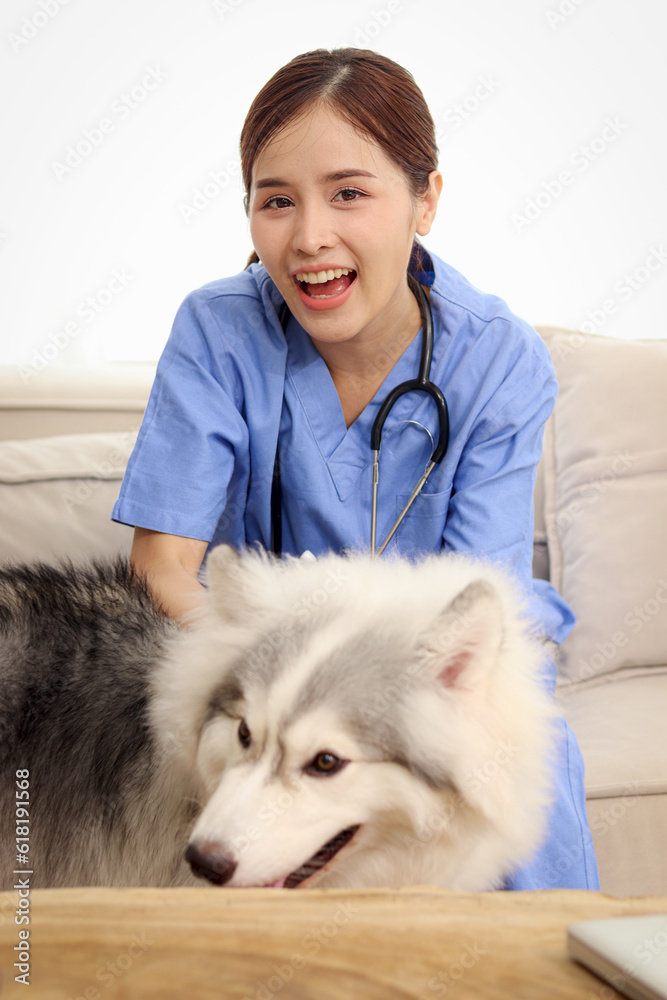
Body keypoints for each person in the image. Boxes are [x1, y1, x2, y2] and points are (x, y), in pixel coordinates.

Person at [112, 47, 599, 891]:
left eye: (348, 193)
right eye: (276, 201)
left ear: (425, 201)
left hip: (438, 656)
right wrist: (286, 684)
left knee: (522, 760)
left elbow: (473, 610)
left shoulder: (497, 359)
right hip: (267, 653)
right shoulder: (217, 331)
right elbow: (161, 568)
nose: (308, 239)